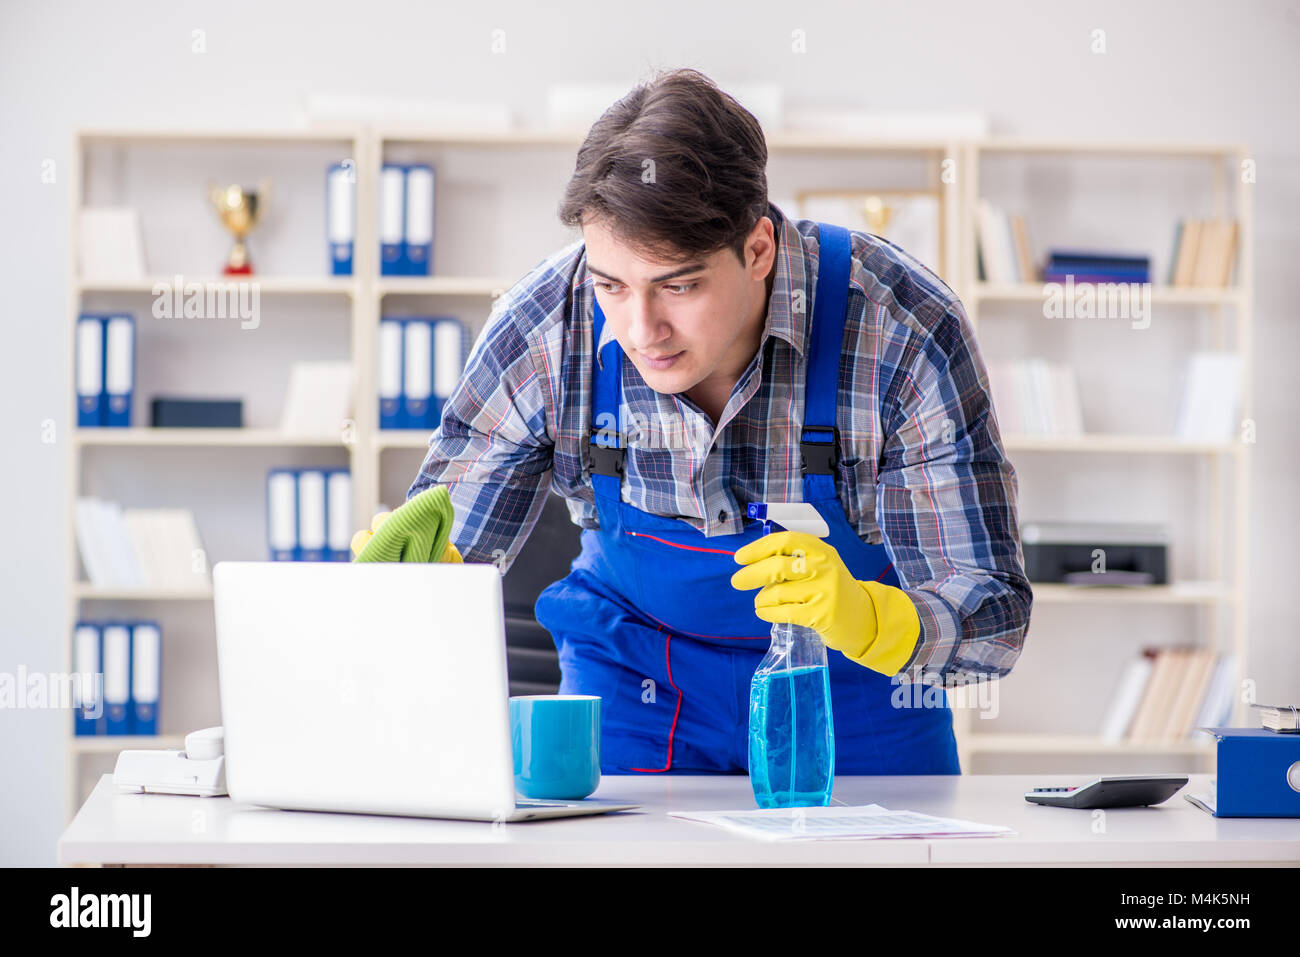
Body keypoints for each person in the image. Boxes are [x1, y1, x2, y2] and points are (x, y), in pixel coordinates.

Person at [407, 67, 1033, 775]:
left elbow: (993, 619)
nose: (642, 329)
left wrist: (871, 618)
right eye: (613, 285)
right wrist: (407, 584)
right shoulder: (544, 325)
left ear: (757, 249)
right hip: (633, 685)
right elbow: (441, 570)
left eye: (679, 285)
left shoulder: (904, 328)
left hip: (855, 691)